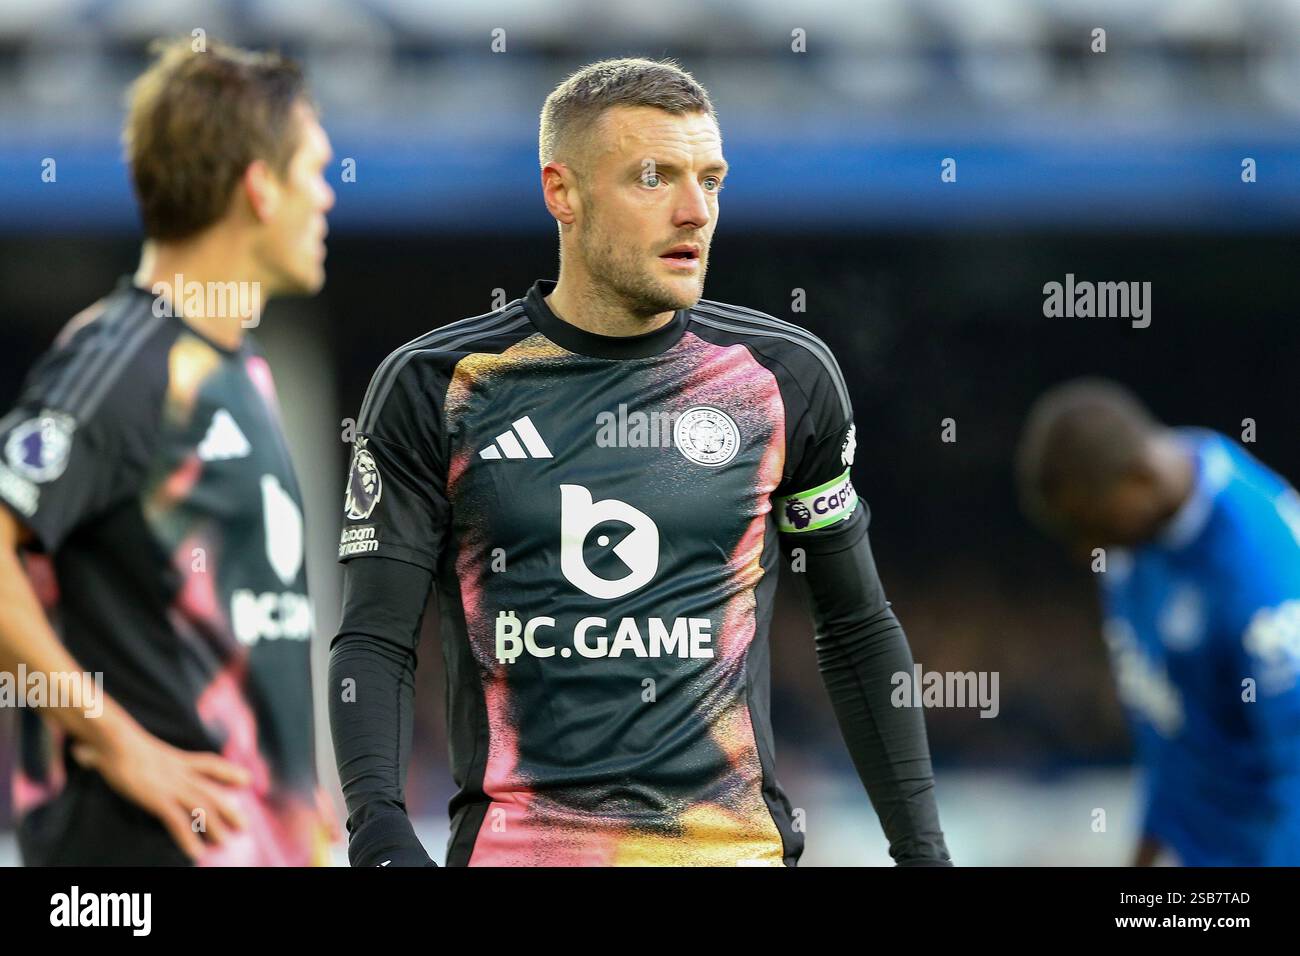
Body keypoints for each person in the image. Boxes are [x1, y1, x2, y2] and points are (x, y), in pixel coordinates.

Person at [330, 57, 949, 866]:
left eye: (713, 180)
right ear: (564, 192)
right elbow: (375, 638)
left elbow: (857, 627)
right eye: (655, 179)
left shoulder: (782, 380)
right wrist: (377, 829)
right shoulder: (440, 387)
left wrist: (923, 853)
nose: (696, 212)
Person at [0, 37, 338, 865]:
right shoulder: (123, 361)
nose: (328, 198)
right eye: (314, 173)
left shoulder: (240, 368)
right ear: (260, 187)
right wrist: (120, 744)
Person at [1017, 378, 1300, 865]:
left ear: (1140, 480)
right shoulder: (1138, 537)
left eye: (1091, 525)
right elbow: (1172, 738)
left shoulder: (1262, 573)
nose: (1087, 551)